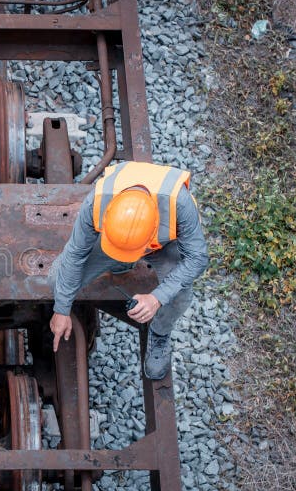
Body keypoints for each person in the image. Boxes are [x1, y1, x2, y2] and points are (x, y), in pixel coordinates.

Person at [49, 162, 209, 379]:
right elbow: (76, 253)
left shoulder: (179, 204)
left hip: (163, 246)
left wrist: (157, 298)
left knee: (180, 295)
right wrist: (61, 309)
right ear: (107, 217)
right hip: (116, 239)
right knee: (56, 278)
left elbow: (197, 258)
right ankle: (120, 262)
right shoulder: (97, 202)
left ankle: (160, 333)